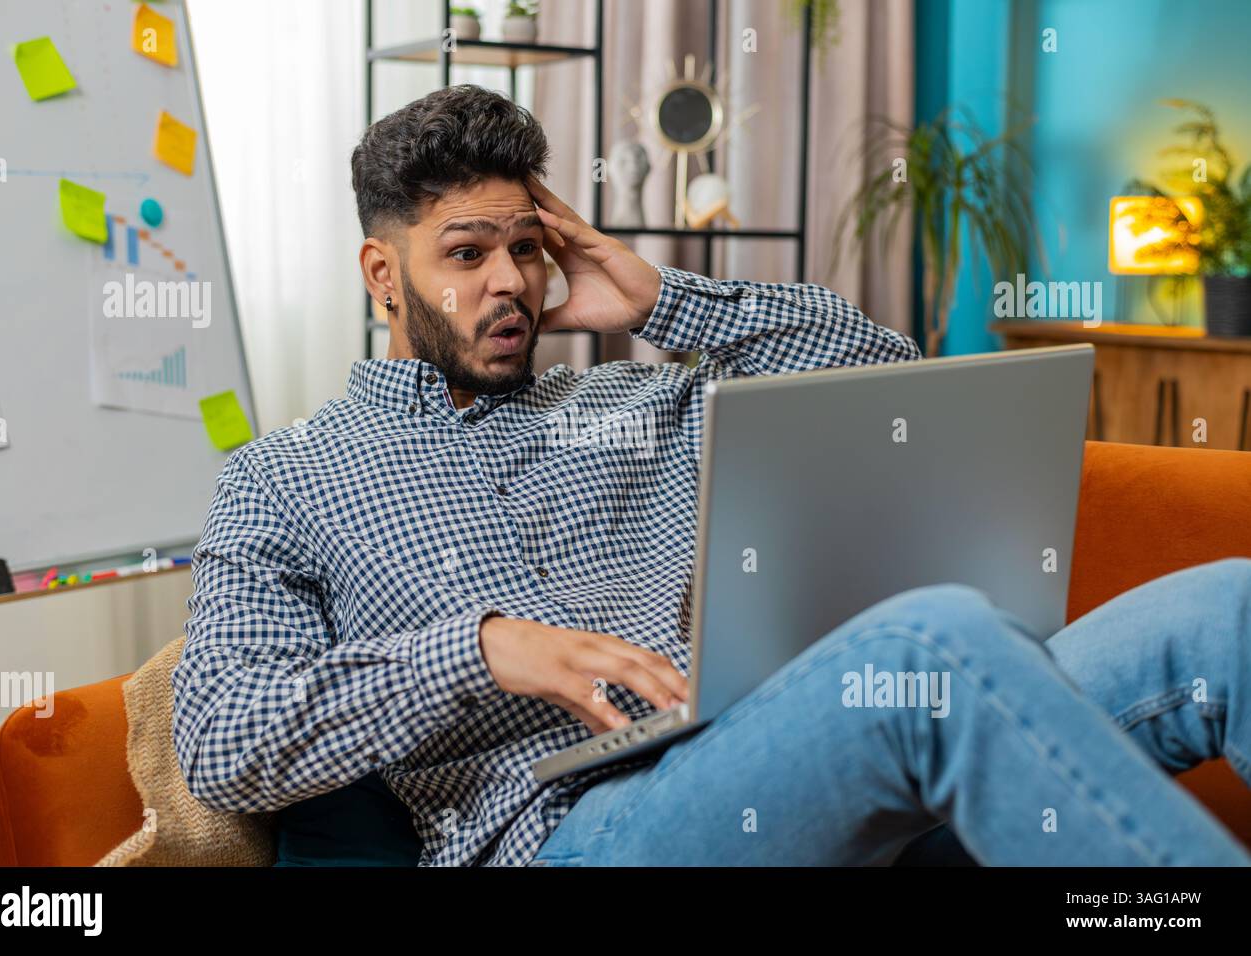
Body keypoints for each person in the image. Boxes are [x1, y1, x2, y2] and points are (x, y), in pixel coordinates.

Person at [171, 84, 1251, 867]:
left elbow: (882, 377)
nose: (508, 281)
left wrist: (661, 306)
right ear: (381, 274)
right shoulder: (283, 478)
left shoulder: (633, 406)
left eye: (526, 248)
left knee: (1228, 608)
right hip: (567, 834)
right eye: (465, 254)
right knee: (935, 643)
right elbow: (223, 740)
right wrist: (484, 648)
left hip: (759, 752)